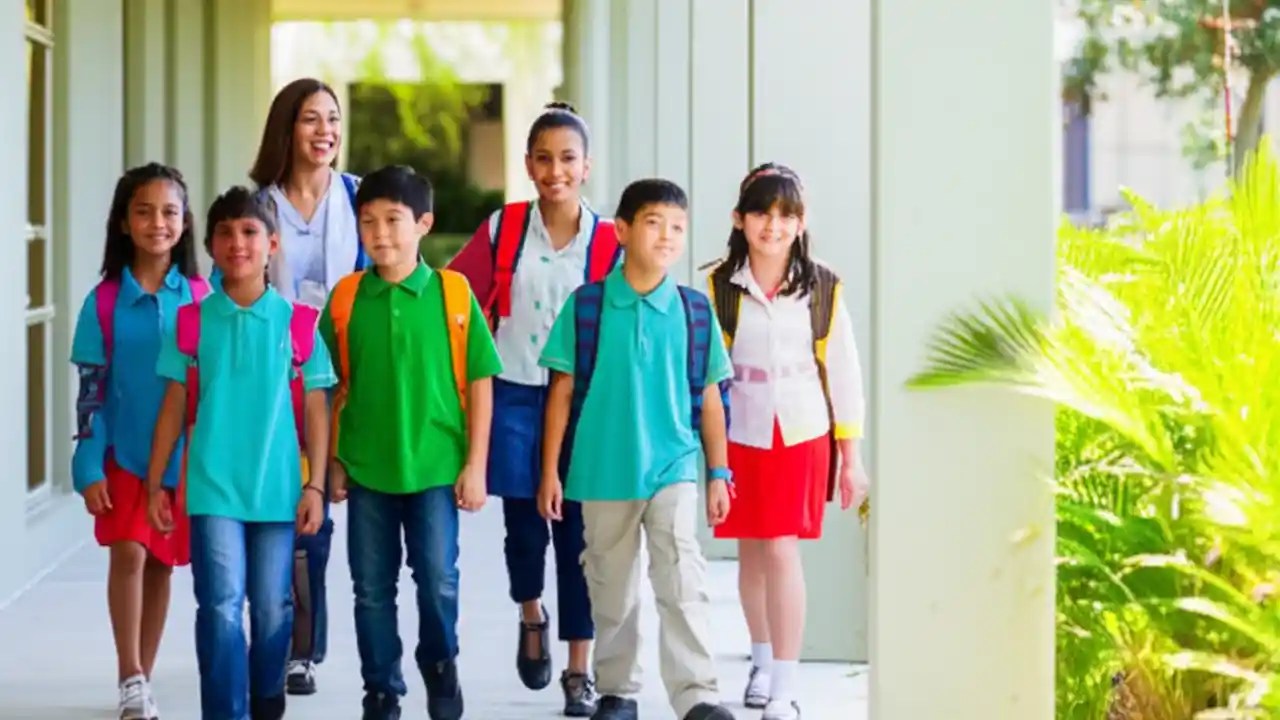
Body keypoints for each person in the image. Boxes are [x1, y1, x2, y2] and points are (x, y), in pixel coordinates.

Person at [537, 178, 736, 720]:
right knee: (613, 588)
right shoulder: (589, 306)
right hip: (602, 471)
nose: (668, 237)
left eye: (678, 227)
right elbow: (560, 391)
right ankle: (618, 690)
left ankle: (697, 695)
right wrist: (549, 472)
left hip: (672, 468)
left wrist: (719, 471)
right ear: (622, 230)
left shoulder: (694, 311)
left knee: (682, 581)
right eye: (654, 223)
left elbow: (713, 399)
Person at [447, 101, 617, 716]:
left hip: (585, 406)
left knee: (579, 537)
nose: (555, 170)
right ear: (527, 164)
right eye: (543, 158)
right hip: (515, 394)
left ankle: (578, 668)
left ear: (586, 166)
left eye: (567, 158)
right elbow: (453, 293)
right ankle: (530, 614)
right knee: (523, 531)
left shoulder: (609, 242)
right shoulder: (505, 228)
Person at [320, 165, 503, 720]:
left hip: (436, 469)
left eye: (393, 221)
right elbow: (325, 389)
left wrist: (476, 465)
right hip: (366, 468)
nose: (379, 234)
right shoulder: (347, 299)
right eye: (368, 222)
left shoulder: (453, 294)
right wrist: (329, 462)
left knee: (438, 581)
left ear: (424, 223)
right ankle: (381, 687)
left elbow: (480, 379)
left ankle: (440, 662)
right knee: (371, 589)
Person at [147, 186, 334, 720]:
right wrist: (157, 480)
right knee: (221, 608)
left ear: (272, 243)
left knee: (273, 610)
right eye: (225, 233)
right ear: (209, 243)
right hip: (213, 489)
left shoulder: (299, 323)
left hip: (279, 491)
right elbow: (174, 404)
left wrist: (316, 485)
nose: (237, 243)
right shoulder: (189, 321)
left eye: (249, 232)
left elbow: (318, 410)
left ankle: (267, 698)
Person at [703, 163, 869, 720]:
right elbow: (701, 370)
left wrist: (852, 458)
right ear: (739, 219)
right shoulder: (716, 286)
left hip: (800, 431)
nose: (772, 226)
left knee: (779, 547)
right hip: (738, 432)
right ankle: (761, 658)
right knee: (751, 551)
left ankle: (784, 688)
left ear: (801, 223)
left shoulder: (823, 287)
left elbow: (843, 372)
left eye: (786, 215)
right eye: (761, 214)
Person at [70, 163, 209, 720]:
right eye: (144, 211)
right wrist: (86, 458)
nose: (158, 222)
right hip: (121, 453)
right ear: (124, 223)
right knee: (127, 551)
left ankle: (141, 682)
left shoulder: (202, 296)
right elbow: (89, 391)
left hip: (180, 460)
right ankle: (129, 672)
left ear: (185, 222)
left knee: (158, 563)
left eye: (169, 212)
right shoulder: (102, 301)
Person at [245, 76, 369, 696]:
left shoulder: (357, 197)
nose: (325, 132)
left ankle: (298, 637)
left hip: (347, 377)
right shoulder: (259, 206)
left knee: (324, 506)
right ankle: (294, 644)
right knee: (289, 507)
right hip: (277, 378)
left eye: (333, 120)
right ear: (286, 129)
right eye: (311, 119)